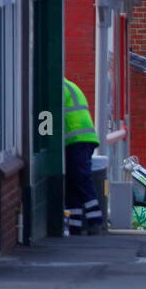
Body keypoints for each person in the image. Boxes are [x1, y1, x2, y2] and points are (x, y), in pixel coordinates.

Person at [63, 78, 103, 235]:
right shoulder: (70, 85)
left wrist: (46, 136)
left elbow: (48, 115)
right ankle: (75, 226)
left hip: (76, 140)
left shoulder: (56, 88)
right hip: (84, 139)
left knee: (81, 179)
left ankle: (95, 221)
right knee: (74, 182)